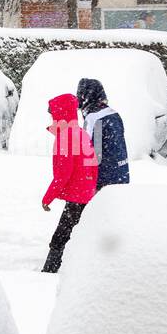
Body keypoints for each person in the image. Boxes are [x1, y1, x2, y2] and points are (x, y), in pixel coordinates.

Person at [41, 92, 98, 273]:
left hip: (77, 195)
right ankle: (79, 266)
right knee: (76, 232)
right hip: (85, 193)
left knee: (61, 236)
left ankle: (50, 271)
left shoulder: (66, 136)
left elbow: (63, 173)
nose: (52, 117)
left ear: (61, 114)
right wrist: (91, 187)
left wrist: (48, 198)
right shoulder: (80, 133)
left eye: (53, 114)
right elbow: (93, 163)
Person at [76, 78, 129, 189]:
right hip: (122, 173)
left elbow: (89, 153)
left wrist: (85, 179)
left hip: (104, 179)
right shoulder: (114, 114)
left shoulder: (93, 118)